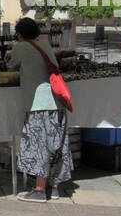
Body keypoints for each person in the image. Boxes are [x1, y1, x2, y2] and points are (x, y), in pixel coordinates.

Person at [7, 16, 73, 202]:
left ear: (19, 35)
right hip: (56, 102)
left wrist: (9, 59)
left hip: (38, 103)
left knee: (39, 144)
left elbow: (11, 67)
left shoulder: (20, 47)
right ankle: (55, 188)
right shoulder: (45, 45)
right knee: (56, 143)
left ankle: (39, 189)